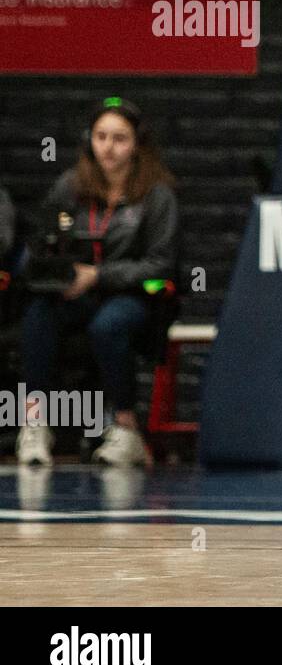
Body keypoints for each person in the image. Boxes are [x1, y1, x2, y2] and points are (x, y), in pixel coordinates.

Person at [18, 97, 178, 466]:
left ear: (137, 143)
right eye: (101, 136)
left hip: (136, 297)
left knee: (109, 325)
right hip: (79, 293)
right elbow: (41, 244)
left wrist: (99, 275)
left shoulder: (157, 195)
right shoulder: (70, 186)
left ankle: (125, 428)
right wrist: (55, 273)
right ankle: (34, 422)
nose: (109, 146)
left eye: (119, 138)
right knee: (39, 312)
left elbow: (161, 265)